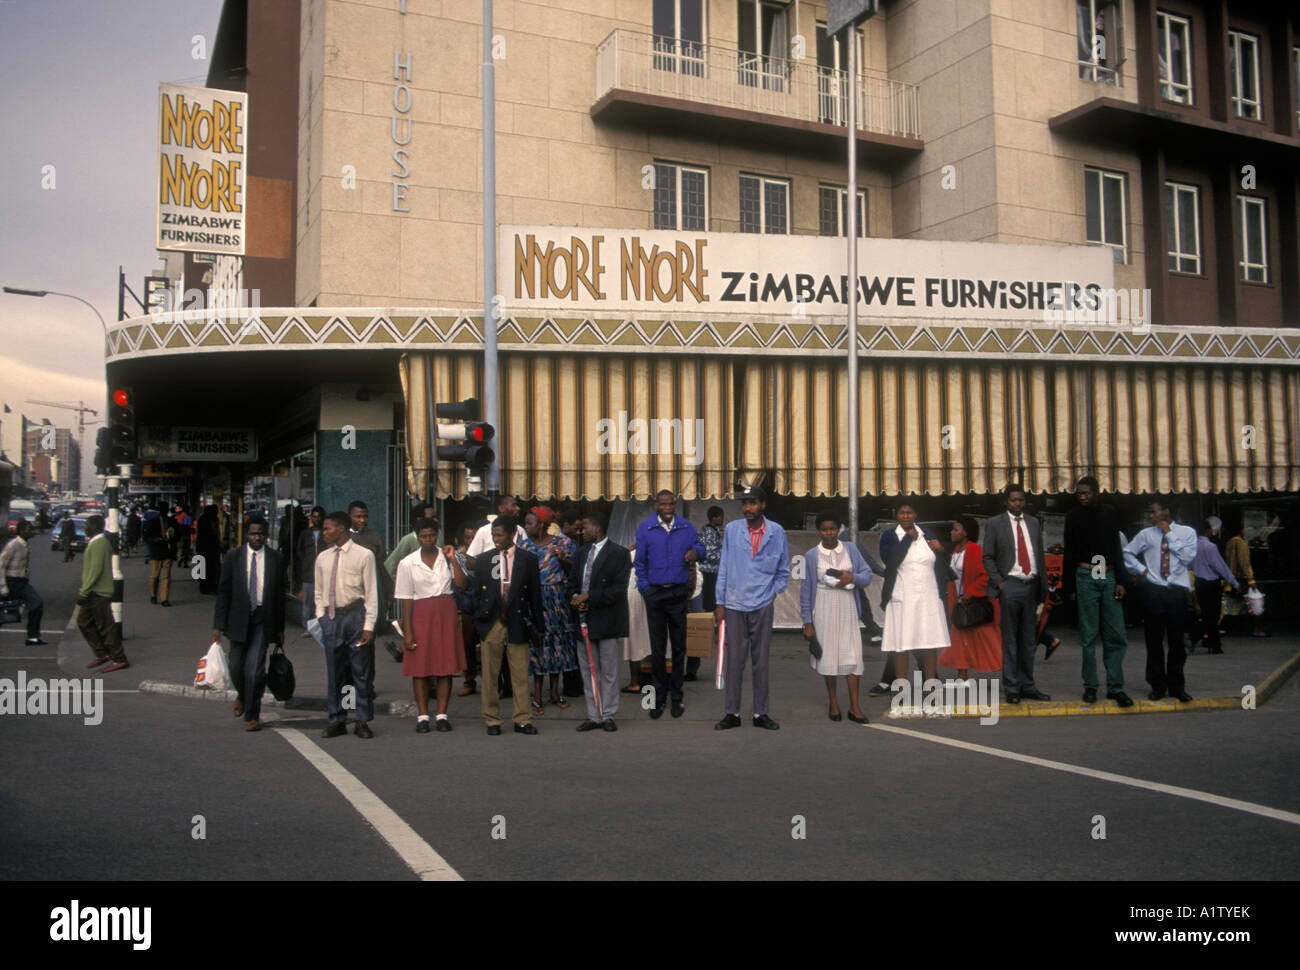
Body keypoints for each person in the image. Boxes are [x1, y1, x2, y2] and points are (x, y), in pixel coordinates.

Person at [714, 485, 790, 730]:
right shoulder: (733, 530)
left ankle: (761, 713)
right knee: (735, 661)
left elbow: (783, 570)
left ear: (763, 505)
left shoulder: (776, 532)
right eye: (745, 503)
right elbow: (724, 566)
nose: (748, 508)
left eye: (753, 503)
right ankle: (732, 713)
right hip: (735, 604)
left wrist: (772, 592)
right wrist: (720, 602)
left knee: (761, 661)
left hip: (762, 604)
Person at [468, 518, 544, 735]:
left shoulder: (528, 559)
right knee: (490, 675)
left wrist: (539, 626)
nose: (496, 539)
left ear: (512, 535)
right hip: (491, 622)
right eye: (493, 535)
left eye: (500, 535)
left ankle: (522, 719)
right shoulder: (484, 560)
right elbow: (477, 594)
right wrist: (479, 619)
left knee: (520, 673)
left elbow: (535, 595)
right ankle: (492, 720)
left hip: (518, 620)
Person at [634, 489, 705, 719]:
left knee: (678, 648)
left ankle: (677, 697)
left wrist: (696, 552)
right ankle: (658, 698)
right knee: (656, 650)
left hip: (677, 594)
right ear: (656, 504)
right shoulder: (646, 528)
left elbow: (701, 549)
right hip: (654, 594)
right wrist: (645, 589)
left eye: (671, 504)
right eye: (663, 504)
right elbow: (640, 562)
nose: (667, 509)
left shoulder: (685, 526)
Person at [1062, 476, 1132, 706]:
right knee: (1089, 634)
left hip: (1108, 572)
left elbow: (1116, 548)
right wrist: (1069, 587)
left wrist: (1121, 579)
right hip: (1086, 573)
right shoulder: (1072, 517)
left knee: (1116, 633)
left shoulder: (1109, 513)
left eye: (1086, 493)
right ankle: (1090, 686)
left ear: (1096, 493)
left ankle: (1115, 687)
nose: (1082, 497)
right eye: (1079, 493)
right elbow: (1069, 551)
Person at [394, 517, 468, 733]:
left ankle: (442, 714)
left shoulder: (447, 557)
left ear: (438, 535)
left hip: (446, 612)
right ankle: (423, 716)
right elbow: (406, 600)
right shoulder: (407, 563)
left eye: (432, 535)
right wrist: (408, 632)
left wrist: (453, 559)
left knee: (445, 668)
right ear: (417, 537)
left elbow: (461, 584)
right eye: (424, 536)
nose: (428, 540)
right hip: (420, 614)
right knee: (421, 669)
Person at [212, 517, 285, 732]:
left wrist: (279, 628)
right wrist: (217, 625)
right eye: (253, 533)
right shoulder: (234, 557)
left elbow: (280, 596)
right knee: (236, 666)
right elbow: (223, 592)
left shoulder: (275, 558)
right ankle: (243, 695)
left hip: (263, 619)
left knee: (254, 669)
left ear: (266, 535)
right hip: (238, 620)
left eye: (261, 533)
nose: (257, 537)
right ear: (247, 535)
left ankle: (253, 714)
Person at [800, 510, 872, 723]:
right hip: (823, 607)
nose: (829, 533)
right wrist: (807, 622)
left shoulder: (850, 548)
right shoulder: (812, 555)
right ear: (819, 531)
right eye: (824, 529)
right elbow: (806, 590)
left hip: (847, 606)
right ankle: (833, 702)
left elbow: (867, 575)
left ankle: (855, 707)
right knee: (829, 656)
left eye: (832, 528)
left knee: (853, 656)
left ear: (839, 529)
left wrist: (852, 577)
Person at [982, 484, 1050, 703]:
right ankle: (1012, 687)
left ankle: (1028, 685)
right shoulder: (995, 524)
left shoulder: (1032, 522)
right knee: (1010, 639)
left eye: (1021, 500)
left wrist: (1043, 585)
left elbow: (1038, 553)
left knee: (1029, 640)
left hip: (1031, 584)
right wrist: (1000, 583)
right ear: (1006, 502)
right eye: (1014, 500)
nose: (1018, 503)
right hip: (1010, 584)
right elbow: (988, 556)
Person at [1123, 500, 1196, 702]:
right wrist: (1142, 570)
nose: (1151, 516)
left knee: (1176, 642)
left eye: (1154, 512)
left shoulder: (1186, 532)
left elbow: (1189, 558)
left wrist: (1169, 534)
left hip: (1176, 592)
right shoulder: (1146, 534)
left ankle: (1176, 686)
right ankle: (1157, 684)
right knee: (1154, 640)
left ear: (1166, 511)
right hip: (1155, 590)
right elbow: (1127, 553)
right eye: (1149, 513)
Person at [315, 510, 380, 738]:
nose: (324, 532)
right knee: (336, 672)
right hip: (333, 618)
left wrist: (368, 626)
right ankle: (338, 718)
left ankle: (362, 720)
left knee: (360, 671)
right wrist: (322, 617)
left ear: (341, 529)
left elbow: (371, 593)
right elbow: (318, 591)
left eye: (327, 528)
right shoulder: (323, 557)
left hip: (356, 616)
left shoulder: (363, 555)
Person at [567, 512, 631, 732]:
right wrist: (575, 599)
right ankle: (593, 715)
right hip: (583, 619)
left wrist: (590, 597)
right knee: (588, 670)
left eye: (584, 527)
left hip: (607, 620)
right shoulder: (581, 553)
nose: (581, 531)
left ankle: (608, 715)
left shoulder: (619, 554)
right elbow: (572, 582)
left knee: (609, 670)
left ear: (597, 527)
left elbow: (618, 590)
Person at [877, 503, 951, 692]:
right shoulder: (889, 535)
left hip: (928, 596)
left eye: (909, 512)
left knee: (929, 643)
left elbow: (943, 564)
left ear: (916, 514)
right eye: (902, 512)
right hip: (903, 597)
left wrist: (941, 550)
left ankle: (929, 687)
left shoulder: (928, 533)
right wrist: (907, 540)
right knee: (902, 645)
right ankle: (902, 688)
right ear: (896, 514)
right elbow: (891, 561)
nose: (906, 516)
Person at [518, 507, 579, 714]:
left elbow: (575, 570)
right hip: (535, 600)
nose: (526, 527)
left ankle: (554, 692)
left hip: (557, 600)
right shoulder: (524, 546)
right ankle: (536, 695)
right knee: (537, 645)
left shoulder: (563, 543)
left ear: (541, 524)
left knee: (557, 645)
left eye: (529, 523)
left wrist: (562, 558)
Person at [937, 517, 1002, 683]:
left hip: (973, 603)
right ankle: (962, 676)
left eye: (955, 529)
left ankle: (1010, 673)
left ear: (965, 532)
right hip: (959, 603)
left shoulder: (975, 550)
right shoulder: (956, 550)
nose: (951, 532)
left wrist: (969, 594)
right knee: (959, 638)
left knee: (988, 639)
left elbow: (985, 576)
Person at [77, 516, 128, 671]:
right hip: (93, 591)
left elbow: (96, 569)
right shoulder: (97, 542)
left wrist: (84, 591)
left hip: (97, 591)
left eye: (86, 524)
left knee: (106, 626)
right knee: (84, 622)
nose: (85, 527)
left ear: (93, 526)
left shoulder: (99, 543)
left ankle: (119, 658)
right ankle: (102, 653)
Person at [688, 505, 725, 682]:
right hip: (709, 571)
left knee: (710, 604)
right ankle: (709, 634)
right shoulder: (710, 532)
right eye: (720, 516)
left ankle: (710, 634)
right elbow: (709, 554)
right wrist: (724, 554)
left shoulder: (714, 531)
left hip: (712, 571)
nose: (722, 519)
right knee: (707, 605)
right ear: (714, 517)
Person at [1192, 518, 1239, 655]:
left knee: (1206, 613)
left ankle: (1211, 642)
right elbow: (1221, 567)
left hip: (1199, 582)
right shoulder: (1210, 547)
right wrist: (1234, 582)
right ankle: (1197, 637)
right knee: (1213, 615)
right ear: (1208, 531)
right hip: (1211, 583)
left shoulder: (1193, 545)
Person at [1, 520, 46, 646]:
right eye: (29, 529)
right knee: (4, 610)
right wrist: (3, 587)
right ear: (21, 531)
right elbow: (1, 565)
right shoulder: (13, 545)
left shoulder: (24, 544)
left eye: (32, 529)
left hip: (21, 582)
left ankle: (32, 637)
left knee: (37, 603)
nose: (32, 531)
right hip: (11, 581)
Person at [1221, 520, 1267, 638]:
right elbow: (1244, 563)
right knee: (1255, 604)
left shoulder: (1229, 543)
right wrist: (1251, 580)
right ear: (1241, 530)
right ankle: (1257, 629)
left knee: (1226, 605)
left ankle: (1219, 627)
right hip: (1241, 579)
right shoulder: (1241, 543)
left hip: (1230, 579)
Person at [453, 523, 481, 695]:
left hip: (484, 602)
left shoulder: (486, 552)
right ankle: (469, 681)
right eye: (467, 537)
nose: (470, 541)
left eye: (473, 537)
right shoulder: (457, 555)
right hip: (467, 603)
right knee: (467, 643)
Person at [294, 507, 329, 637]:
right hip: (308, 574)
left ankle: (320, 628)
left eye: (319, 516)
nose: (316, 519)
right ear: (311, 518)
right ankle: (307, 628)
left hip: (323, 575)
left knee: (322, 603)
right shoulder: (305, 534)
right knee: (307, 604)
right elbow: (299, 551)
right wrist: (306, 564)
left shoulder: (325, 534)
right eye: (314, 516)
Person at [622, 541, 651, 692]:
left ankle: (635, 682)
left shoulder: (631, 555)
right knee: (649, 639)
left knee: (634, 640)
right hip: (650, 597)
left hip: (634, 597)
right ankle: (650, 681)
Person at [385, 501, 440, 579]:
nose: (436, 520)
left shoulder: (439, 535)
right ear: (420, 519)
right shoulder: (408, 540)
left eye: (436, 517)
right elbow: (390, 567)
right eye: (432, 518)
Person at [143, 507, 175, 606]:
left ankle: (164, 599)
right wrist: (154, 540)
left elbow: (177, 534)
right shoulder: (152, 522)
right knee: (154, 576)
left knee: (166, 576)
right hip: (155, 552)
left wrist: (171, 539)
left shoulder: (171, 521)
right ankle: (153, 595)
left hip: (167, 551)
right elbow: (146, 536)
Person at [195, 505, 222, 595]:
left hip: (209, 548)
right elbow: (209, 535)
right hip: (206, 548)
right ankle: (206, 587)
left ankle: (208, 587)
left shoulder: (211, 519)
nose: (217, 513)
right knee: (207, 568)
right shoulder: (205, 520)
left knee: (210, 568)